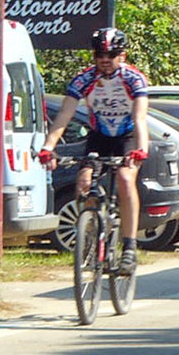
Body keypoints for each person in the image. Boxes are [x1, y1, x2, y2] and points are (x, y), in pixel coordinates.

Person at [38, 28, 149, 273]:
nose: (105, 59)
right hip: (99, 136)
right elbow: (64, 115)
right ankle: (91, 232)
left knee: (124, 177)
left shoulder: (134, 79)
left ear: (123, 55)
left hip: (127, 136)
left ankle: (129, 248)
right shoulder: (84, 80)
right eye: (100, 54)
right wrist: (48, 147)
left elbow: (140, 118)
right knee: (84, 180)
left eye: (111, 54)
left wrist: (141, 149)